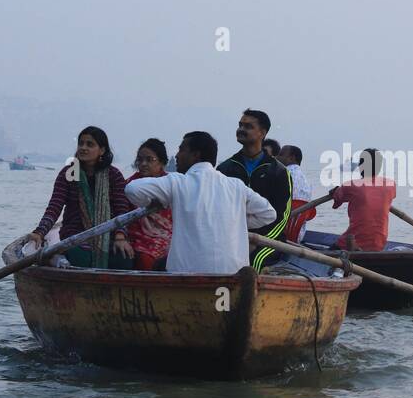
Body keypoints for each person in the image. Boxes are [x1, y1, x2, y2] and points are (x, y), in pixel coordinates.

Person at [125, 131, 276, 274]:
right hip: (234, 276)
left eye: (181, 149)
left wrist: (158, 200)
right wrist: (231, 221)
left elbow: (132, 190)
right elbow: (268, 214)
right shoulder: (236, 186)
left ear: (195, 155)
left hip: (187, 276)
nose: (176, 155)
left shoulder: (178, 183)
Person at [29, 126, 134, 269]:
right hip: (75, 237)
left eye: (90, 144)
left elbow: (122, 210)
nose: (83, 148)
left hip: (107, 238)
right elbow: (55, 207)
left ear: (102, 150)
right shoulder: (69, 173)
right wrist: (40, 232)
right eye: (81, 143)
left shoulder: (113, 175)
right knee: (81, 259)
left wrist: (120, 236)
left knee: (125, 259)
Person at [216, 109, 292, 271]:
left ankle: (249, 295)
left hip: (270, 240)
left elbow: (282, 216)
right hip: (231, 237)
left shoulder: (279, 171)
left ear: (262, 133)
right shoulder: (225, 169)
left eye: (248, 126)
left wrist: (259, 240)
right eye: (240, 125)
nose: (241, 129)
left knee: (254, 260)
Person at [328, 147, 397, 252]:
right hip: (379, 244)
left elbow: (337, 199)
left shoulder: (350, 186)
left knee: (329, 252)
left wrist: (336, 191)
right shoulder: (391, 185)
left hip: (354, 242)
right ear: (379, 167)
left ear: (361, 166)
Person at [124, 138, 174, 271]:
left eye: (149, 159)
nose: (143, 164)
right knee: (146, 261)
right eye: (140, 160)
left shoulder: (171, 185)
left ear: (162, 163)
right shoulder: (129, 185)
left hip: (170, 240)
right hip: (139, 240)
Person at [277, 144, 314, 243]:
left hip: (279, 233)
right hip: (298, 235)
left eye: (280, 154)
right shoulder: (307, 181)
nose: (276, 157)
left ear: (291, 158)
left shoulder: (282, 174)